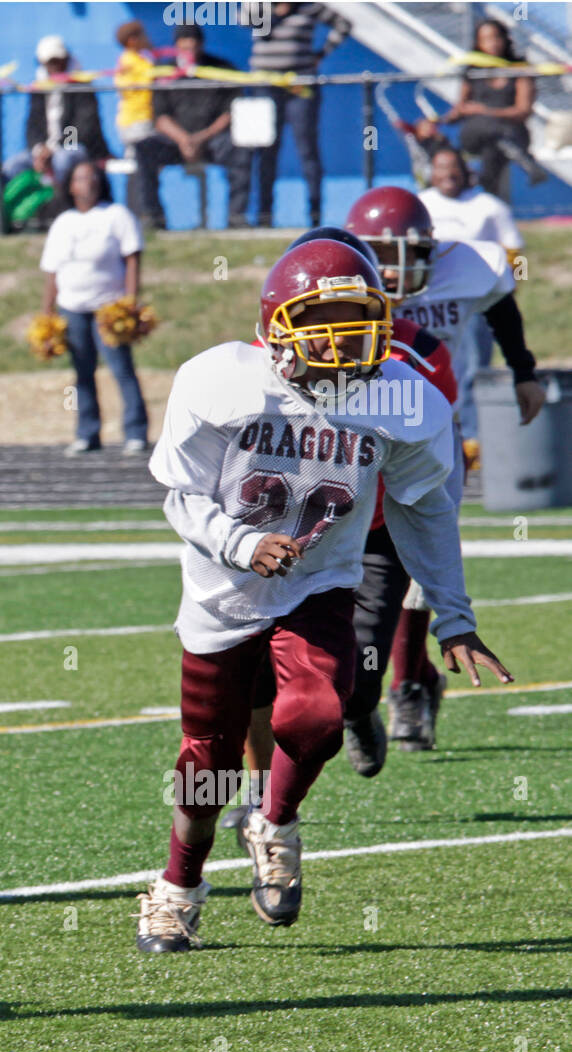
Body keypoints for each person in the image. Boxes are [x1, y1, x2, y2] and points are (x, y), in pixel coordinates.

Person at [137, 238, 512, 952]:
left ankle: (274, 821)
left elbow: (425, 510)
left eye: (357, 321)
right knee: (206, 763)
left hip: (319, 582)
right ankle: (177, 885)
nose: (343, 342)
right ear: (277, 327)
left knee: (315, 717)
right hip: (222, 593)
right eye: (325, 322)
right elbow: (180, 500)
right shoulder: (221, 380)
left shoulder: (401, 398)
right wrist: (244, 544)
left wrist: (455, 618)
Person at [218, 228, 459, 818]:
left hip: (371, 531)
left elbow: (429, 471)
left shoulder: (413, 362)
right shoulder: (246, 368)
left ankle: (359, 711)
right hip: (282, 535)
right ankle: (260, 796)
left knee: (357, 674)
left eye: (347, 307)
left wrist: (449, 598)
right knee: (253, 674)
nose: (333, 329)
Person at [345, 185, 542, 749]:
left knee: (417, 553)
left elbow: (503, 310)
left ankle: (405, 686)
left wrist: (523, 371)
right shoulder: (345, 271)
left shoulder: (471, 265)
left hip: (433, 428)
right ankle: (376, 687)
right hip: (354, 427)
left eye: (398, 251)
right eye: (376, 253)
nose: (387, 267)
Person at [418, 145, 524, 457]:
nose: (448, 174)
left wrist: (514, 284)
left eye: (454, 167)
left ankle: (473, 437)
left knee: (475, 367)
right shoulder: (421, 204)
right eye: (440, 167)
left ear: (466, 173)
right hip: (429, 301)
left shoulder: (489, 206)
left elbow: (515, 250)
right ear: (430, 173)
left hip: (475, 300)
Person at [39, 159, 149, 456]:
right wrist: (47, 314)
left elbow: (132, 259)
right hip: (72, 307)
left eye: (91, 177)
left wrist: (129, 302)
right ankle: (87, 434)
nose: (86, 183)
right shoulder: (64, 222)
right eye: (79, 178)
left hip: (108, 309)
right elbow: (52, 271)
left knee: (121, 368)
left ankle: (136, 432)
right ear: (71, 186)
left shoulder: (116, 215)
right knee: (82, 372)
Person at [130, 25, 250, 231]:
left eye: (194, 41)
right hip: (176, 142)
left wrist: (201, 138)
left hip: (213, 140)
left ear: (201, 44)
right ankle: (153, 217)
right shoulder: (165, 72)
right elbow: (160, 116)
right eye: (184, 43)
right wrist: (184, 140)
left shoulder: (220, 69)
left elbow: (230, 112)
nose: (189, 47)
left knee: (240, 150)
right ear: (176, 46)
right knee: (144, 148)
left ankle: (236, 217)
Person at [245, 3, 350, 228]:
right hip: (265, 85)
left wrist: (322, 53)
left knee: (307, 149)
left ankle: (314, 214)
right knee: (265, 151)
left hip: (300, 86)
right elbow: (245, 20)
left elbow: (344, 25)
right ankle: (264, 214)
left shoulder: (310, 7)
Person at [441, 19, 544, 200]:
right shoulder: (472, 71)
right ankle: (525, 162)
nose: (493, 43)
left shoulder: (518, 70)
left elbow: (523, 111)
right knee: (487, 130)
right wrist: (447, 118)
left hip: (510, 133)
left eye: (496, 37)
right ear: (478, 43)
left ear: (505, 39)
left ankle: (489, 196)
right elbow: (461, 107)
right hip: (475, 134)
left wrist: (485, 110)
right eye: (486, 39)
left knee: (493, 148)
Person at [4, 35, 111, 191]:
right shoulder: (39, 89)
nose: (54, 66)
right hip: (45, 151)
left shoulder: (81, 86)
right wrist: (40, 151)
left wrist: (55, 149)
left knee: (63, 160)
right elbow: (32, 126)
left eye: (57, 60)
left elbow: (83, 126)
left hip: (74, 146)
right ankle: (25, 211)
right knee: (13, 166)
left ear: (65, 59)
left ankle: (59, 205)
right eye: (49, 62)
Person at [114, 20, 156, 151]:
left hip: (145, 117)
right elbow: (126, 87)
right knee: (139, 161)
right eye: (143, 36)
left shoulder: (142, 58)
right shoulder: (128, 61)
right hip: (135, 120)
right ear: (132, 40)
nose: (147, 38)